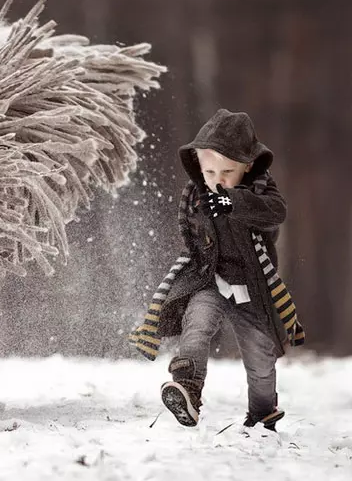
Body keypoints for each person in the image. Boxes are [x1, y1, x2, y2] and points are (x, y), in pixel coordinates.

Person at [128, 108, 305, 431]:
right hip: (209, 279)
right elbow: (191, 236)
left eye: (227, 171)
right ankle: (187, 389)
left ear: (248, 167)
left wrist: (232, 202)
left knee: (260, 358)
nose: (218, 180)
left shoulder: (261, 191)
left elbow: (275, 213)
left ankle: (262, 412)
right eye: (210, 172)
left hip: (251, 286)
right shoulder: (195, 195)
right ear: (198, 166)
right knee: (196, 328)